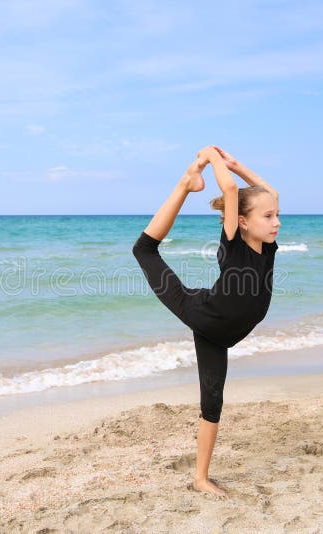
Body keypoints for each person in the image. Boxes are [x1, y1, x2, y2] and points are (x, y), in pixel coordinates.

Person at [132, 145, 280, 498]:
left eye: (276, 216)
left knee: (212, 403)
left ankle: (201, 478)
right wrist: (207, 159)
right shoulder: (234, 243)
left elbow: (269, 193)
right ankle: (185, 185)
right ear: (242, 221)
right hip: (198, 311)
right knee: (144, 250)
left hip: (221, 336)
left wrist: (236, 164)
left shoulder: (268, 246)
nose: (277, 222)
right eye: (268, 217)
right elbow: (230, 191)